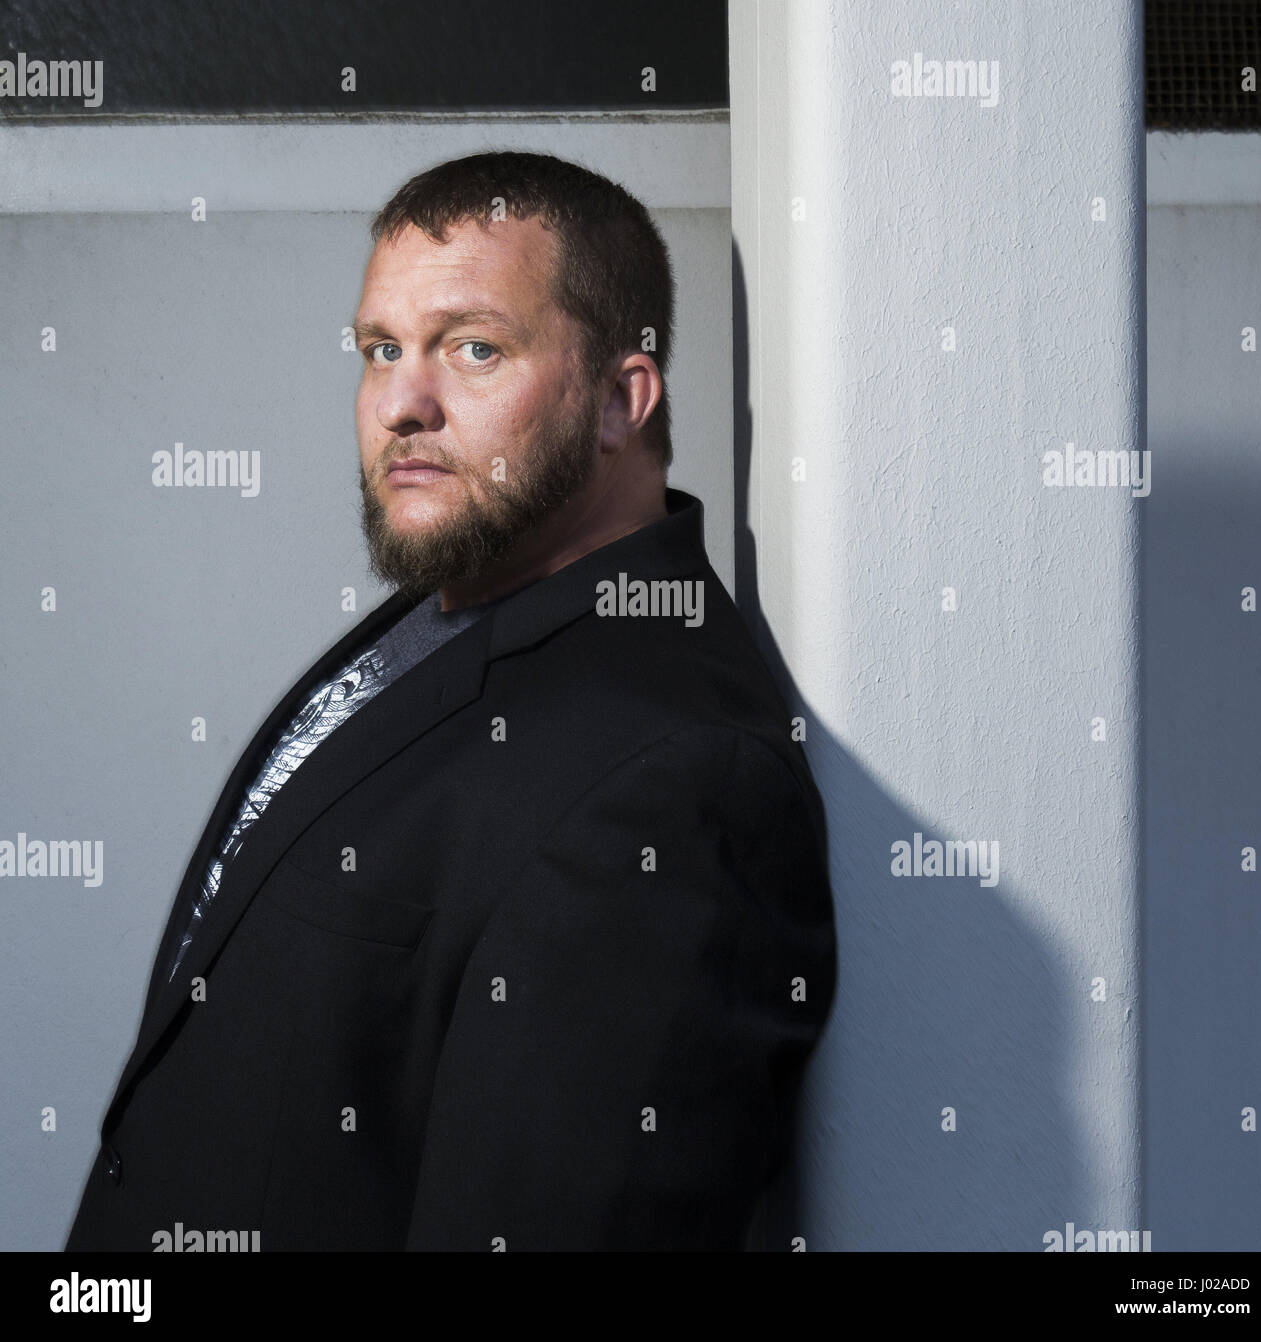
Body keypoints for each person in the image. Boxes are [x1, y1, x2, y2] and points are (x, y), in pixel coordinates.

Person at [66, 150, 837, 1251]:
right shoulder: (465, 598)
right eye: (381, 350)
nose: (401, 405)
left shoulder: (676, 781)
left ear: (623, 401)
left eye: (474, 349)